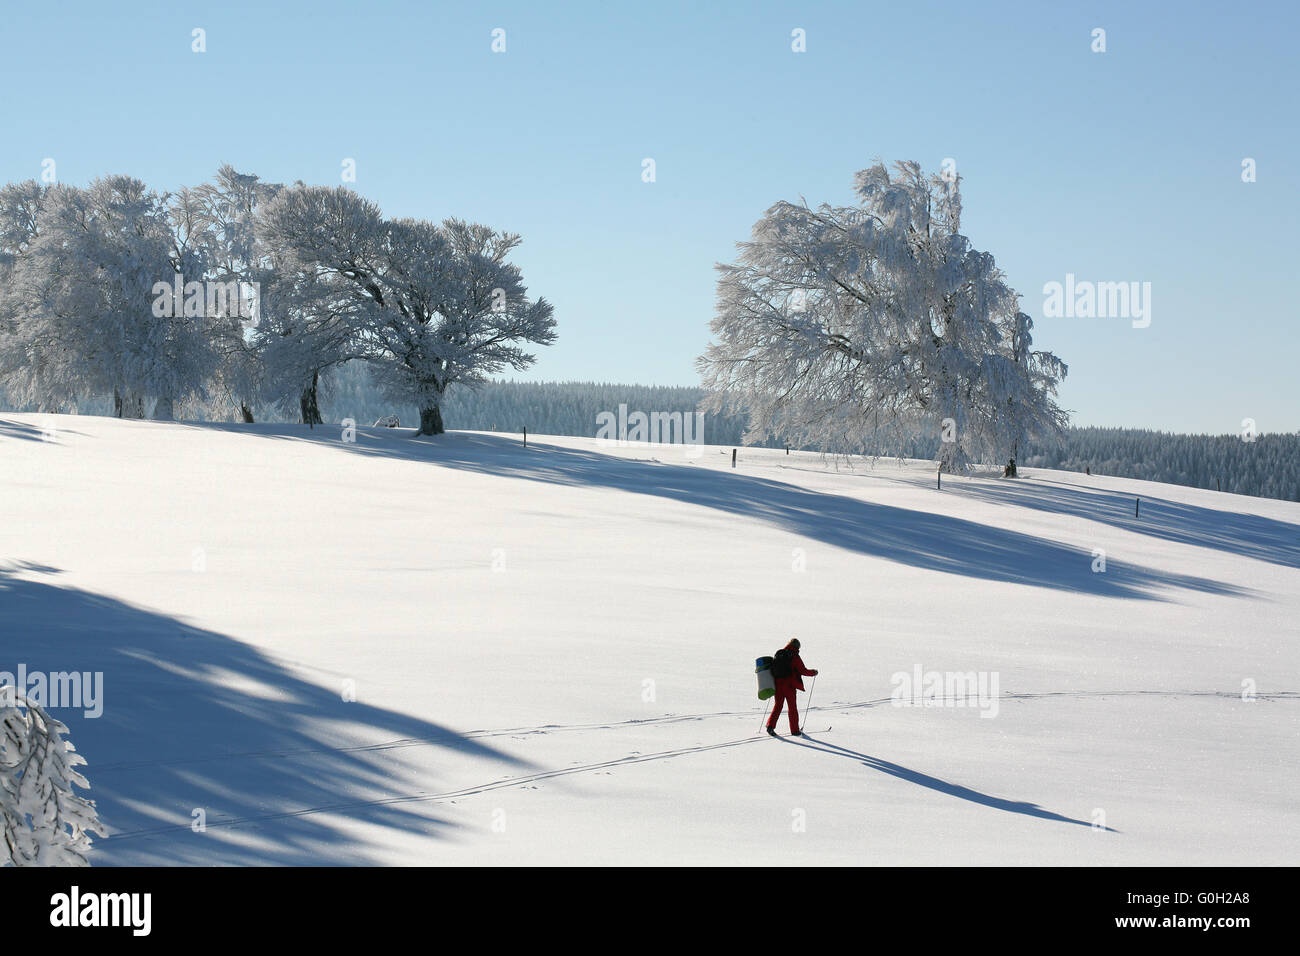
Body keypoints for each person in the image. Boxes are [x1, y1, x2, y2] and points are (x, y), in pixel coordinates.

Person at [766, 638, 817, 737]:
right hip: (789, 686)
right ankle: (795, 731)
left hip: (778, 684)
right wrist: (813, 672)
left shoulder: (779, 653)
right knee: (792, 708)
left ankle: (770, 726)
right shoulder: (794, 656)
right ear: (797, 647)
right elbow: (803, 671)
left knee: (778, 706)